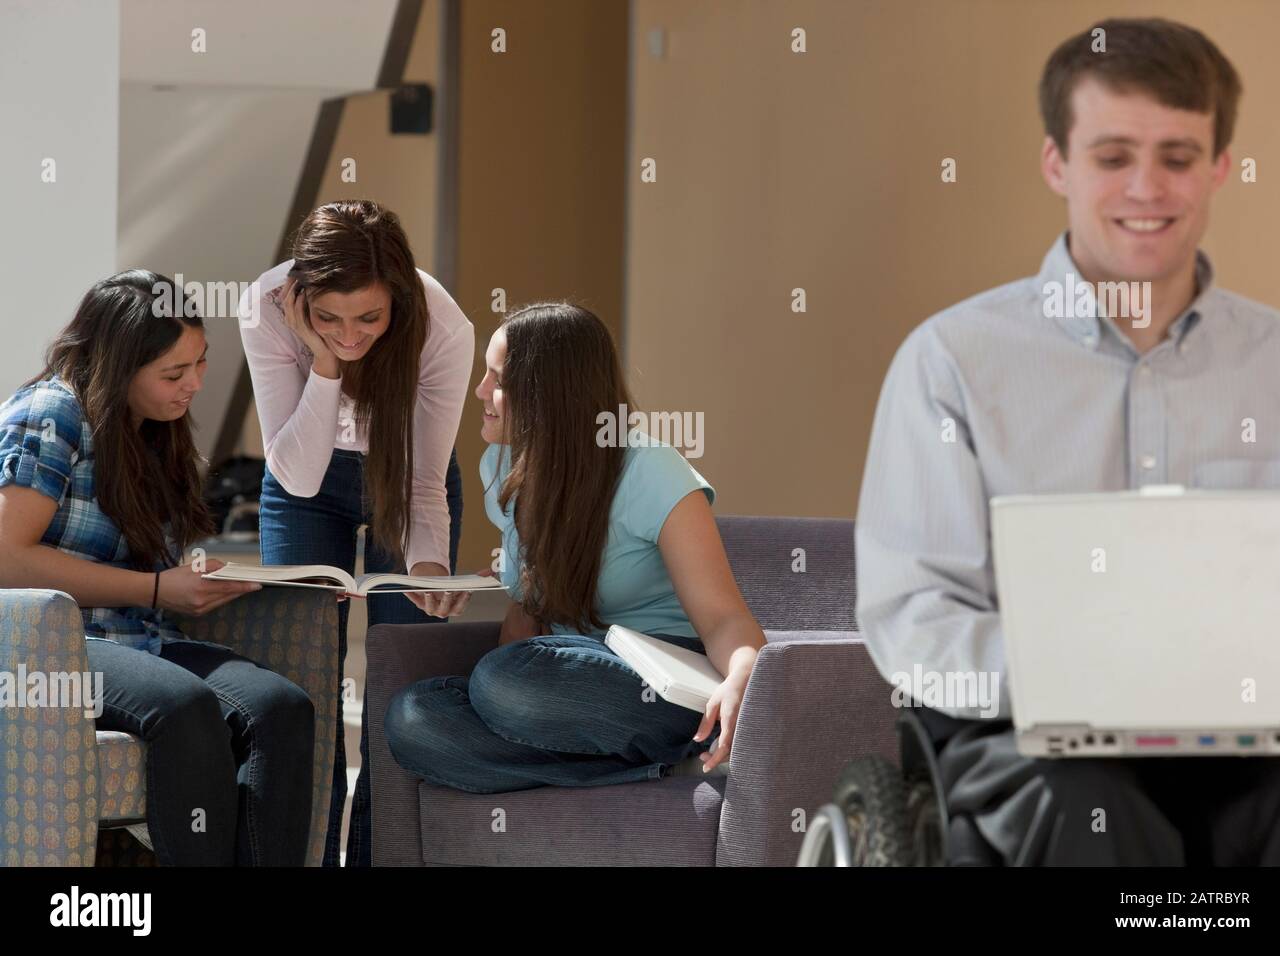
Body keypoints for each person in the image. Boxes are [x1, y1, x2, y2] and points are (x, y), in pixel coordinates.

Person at [855, 17, 1280, 866]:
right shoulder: (952, 362)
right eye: (1112, 156)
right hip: (1028, 743)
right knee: (1090, 806)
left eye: (1176, 156)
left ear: (1219, 168)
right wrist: (1097, 684)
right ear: (1057, 162)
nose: (1147, 187)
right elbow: (916, 619)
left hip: (1257, 740)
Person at [0, 271, 315, 865]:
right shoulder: (52, 413)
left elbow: (149, 561)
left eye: (199, 364)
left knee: (280, 707)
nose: (194, 384)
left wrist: (206, 576)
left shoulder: (152, 429)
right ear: (119, 366)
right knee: (182, 706)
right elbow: (7, 558)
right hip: (58, 646)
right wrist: (154, 588)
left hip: (145, 638)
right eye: (174, 373)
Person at [385, 303, 765, 792]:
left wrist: (744, 676)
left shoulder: (652, 471)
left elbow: (723, 618)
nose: (480, 391)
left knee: (502, 681)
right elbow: (530, 618)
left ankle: (657, 747)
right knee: (413, 717)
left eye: (497, 379)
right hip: (561, 678)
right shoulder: (504, 470)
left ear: (548, 394)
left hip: (657, 683)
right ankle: (648, 770)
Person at [239, 199, 474, 866]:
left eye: (369, 318)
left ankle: (379, 856)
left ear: (397, 300)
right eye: (328, 319)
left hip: (406, 479)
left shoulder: (443, 329)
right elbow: (297, 475)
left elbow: (424, 482)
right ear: (301, 299)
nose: (350, 334)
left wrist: (427, 568)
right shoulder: (265, 306)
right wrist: (323, 364)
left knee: (402, 682)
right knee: (301, 680)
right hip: (305, 483)